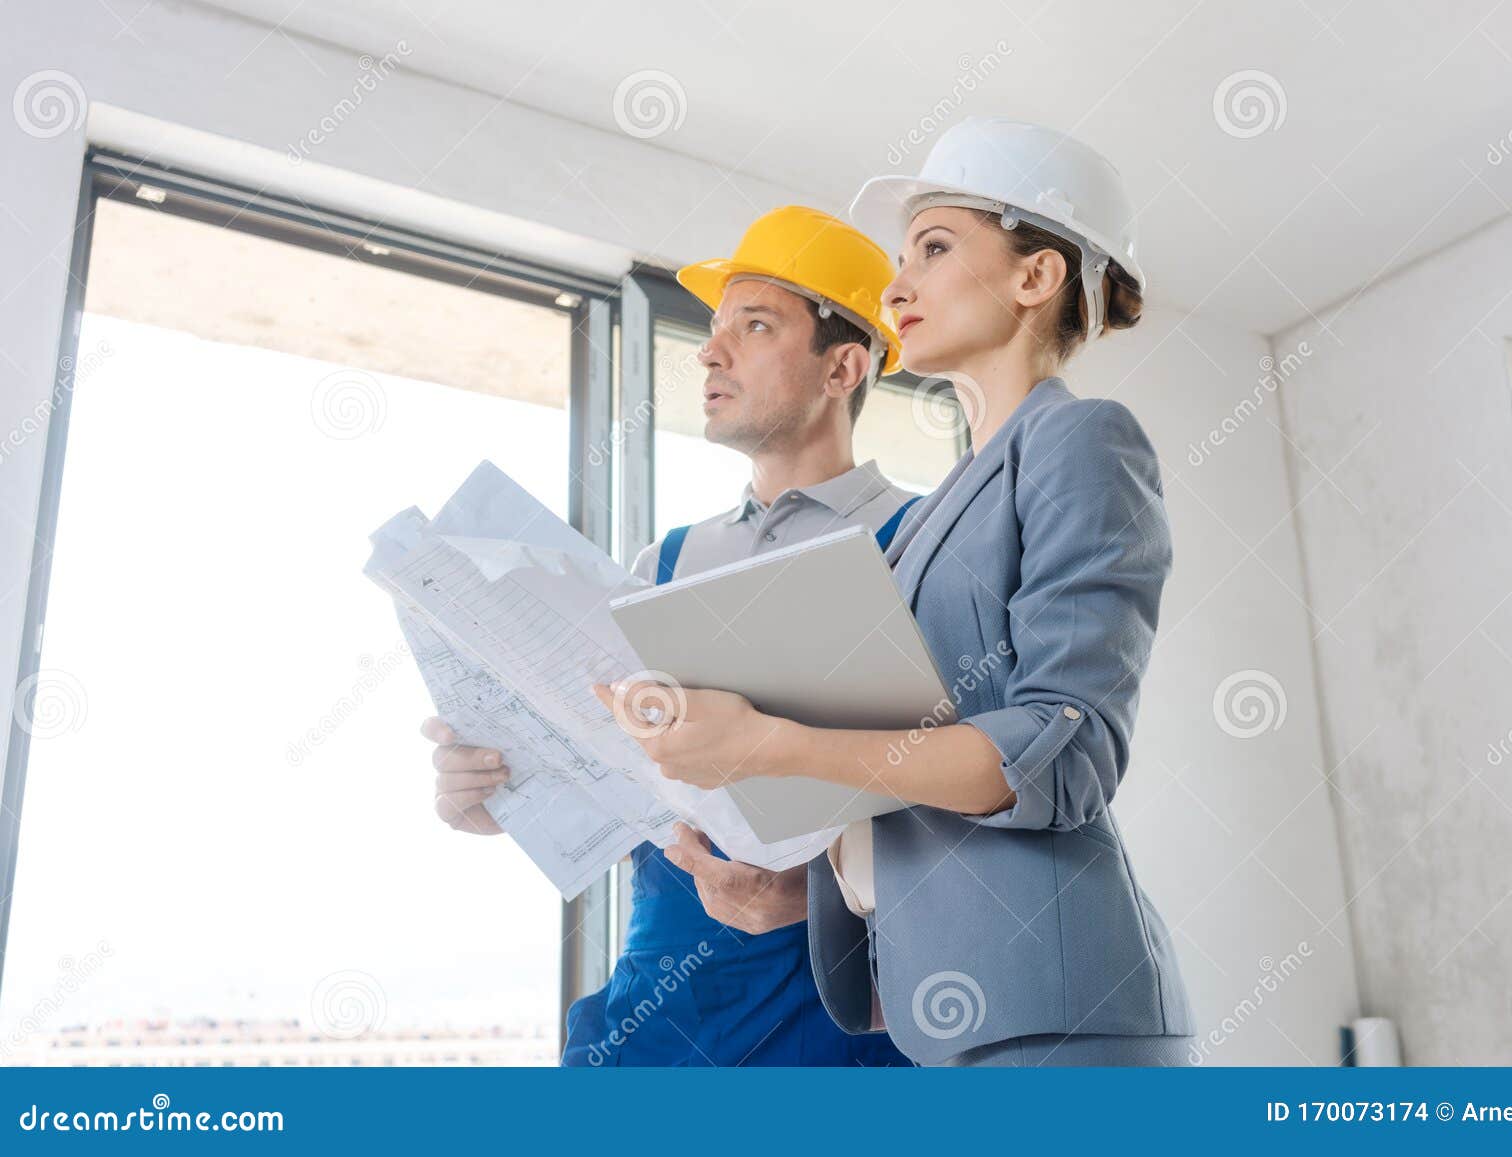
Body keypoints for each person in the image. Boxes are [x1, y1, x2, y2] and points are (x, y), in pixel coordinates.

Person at [594, 118, 1196, 1067]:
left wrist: (769, 741)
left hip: (1054, 1003)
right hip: (939, 1004)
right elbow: (912, 763)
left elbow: (1062, 755)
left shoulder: (1082, 439)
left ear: (1034, 279)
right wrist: (813, 887)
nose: (897, 283)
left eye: (934, 248)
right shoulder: (934, 514)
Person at [425, 206, 915, 1067]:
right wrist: (497, 789)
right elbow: (617, 775)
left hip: (838, 1013)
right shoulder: (668, 560)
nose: (710, 352)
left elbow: (981, 789)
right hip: (660, 1000)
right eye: (714, 329)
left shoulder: (926, 541)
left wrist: (819, 893)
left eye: (754, 326)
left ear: (844, 364)